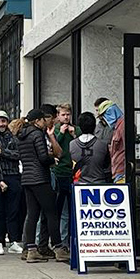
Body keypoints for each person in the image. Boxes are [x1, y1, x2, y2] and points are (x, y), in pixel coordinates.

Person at [18, 107, 70, 263]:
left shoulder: (22, 135)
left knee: (32, 214)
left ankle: (31, 250)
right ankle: (59, 248)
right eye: (42, 120)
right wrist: (51, 159)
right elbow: (42, 157)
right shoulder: (37, 134)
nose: (44, 122)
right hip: (40, 178)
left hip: (27, 178)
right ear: (37, 121)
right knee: (51, 212)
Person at [0, 109, 23, 255]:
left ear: (7, 122)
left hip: (13, 176)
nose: (1, 124)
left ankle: (13, 240)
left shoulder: (14, 138)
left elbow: (18, 155)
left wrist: (1, 151)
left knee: (13, 210)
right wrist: (0, 180)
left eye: (3, 121)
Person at [52, 102, 76, 249]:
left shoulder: (76, 129)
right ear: (58, 116)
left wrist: (73, 135)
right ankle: (58, 241)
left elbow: (80, 145)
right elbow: (55, 148)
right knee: (58, 209)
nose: (66, 117)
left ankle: (68, 241)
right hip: (59, 172)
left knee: (70, 209)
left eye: (68, 114)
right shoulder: (54, 130)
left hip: (72, 173)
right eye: (63, 115)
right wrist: (60, 133)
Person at [70, 112, 111, 184]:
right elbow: (106, 164)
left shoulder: (72, 144)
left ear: (79, 126)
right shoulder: (103, 145)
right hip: (99, 183)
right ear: (94, 126)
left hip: (79, 185)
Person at [95, 98, 125, 183]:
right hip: (115, 168)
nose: (104, 119)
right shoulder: (116, 126)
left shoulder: (123, 126)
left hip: (122, 169)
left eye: (104, 115)